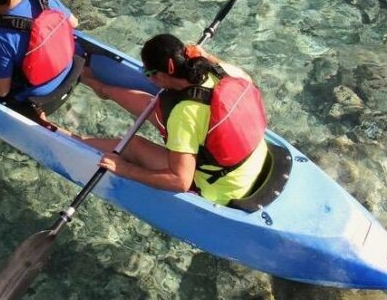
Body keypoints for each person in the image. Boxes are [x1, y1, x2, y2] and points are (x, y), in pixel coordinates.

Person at [81, 33, 269, 206]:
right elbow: (244, 80)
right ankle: (100, 87)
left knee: (134, 146)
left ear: (161, 76)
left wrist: (125, 169)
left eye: (148, 74)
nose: (148, 79)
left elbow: (180, 181)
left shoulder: (184, 114)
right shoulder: (225, 71)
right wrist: (207, 56)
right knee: (155, 107)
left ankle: (67, 136)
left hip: (223, 190)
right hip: (258, 159)